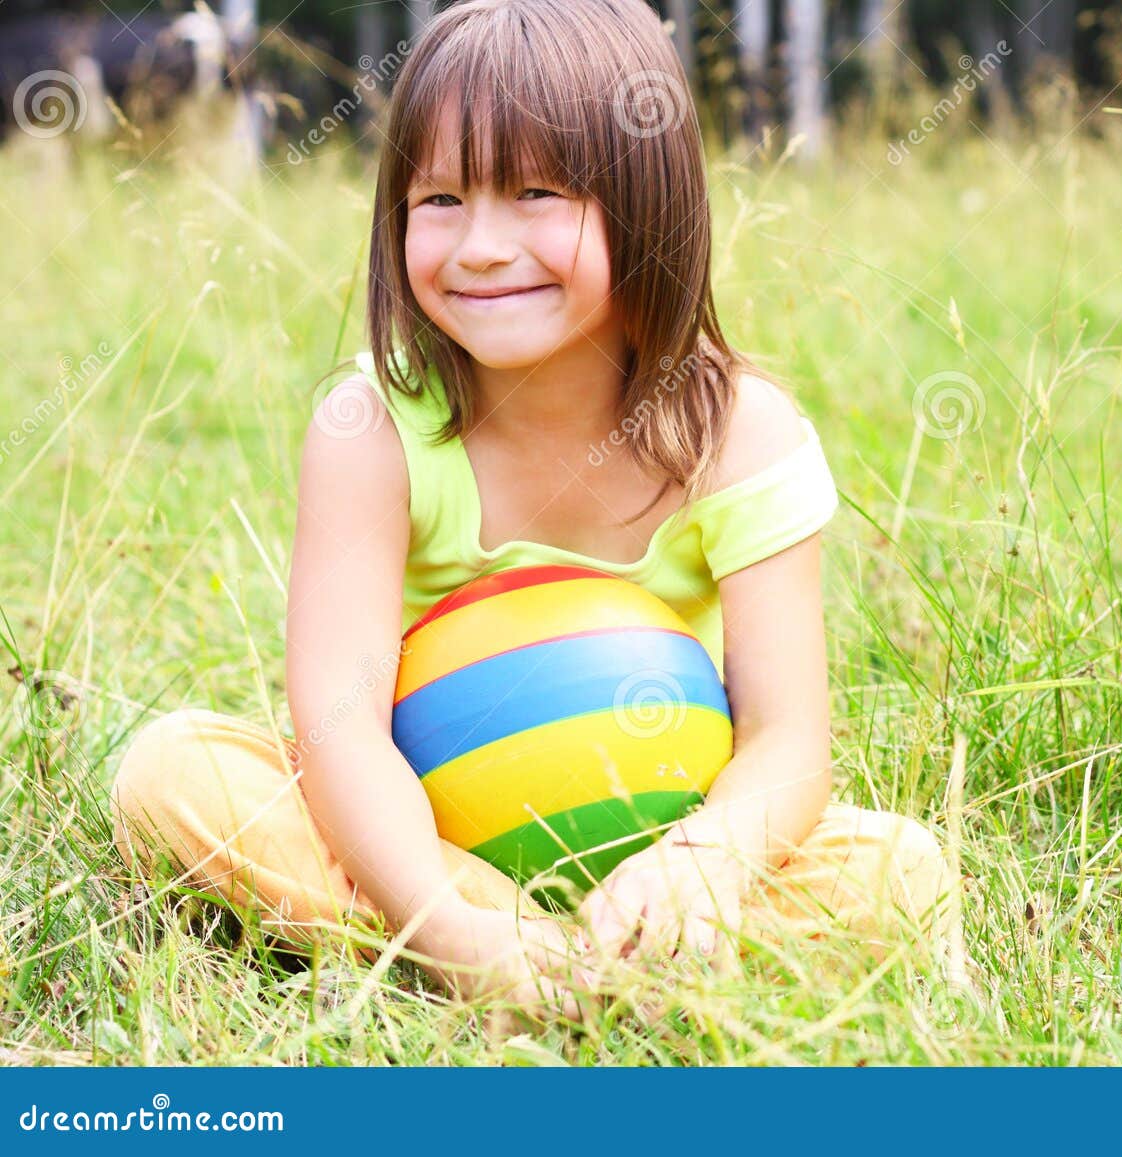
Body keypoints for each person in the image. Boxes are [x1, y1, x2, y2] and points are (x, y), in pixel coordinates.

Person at [110, 0, 954, 1027]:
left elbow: (788, 742)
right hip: (422, 847)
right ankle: (523, 959)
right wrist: (448, 922)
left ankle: (588, 953)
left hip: (660, 854)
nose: (480, 246)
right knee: (173, 772)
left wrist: (704, 862)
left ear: (648, 202)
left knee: (902, 869)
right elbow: (340, 731)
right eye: (440, 198)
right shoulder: (372, 429)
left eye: (537, 193)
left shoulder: (741, 435)